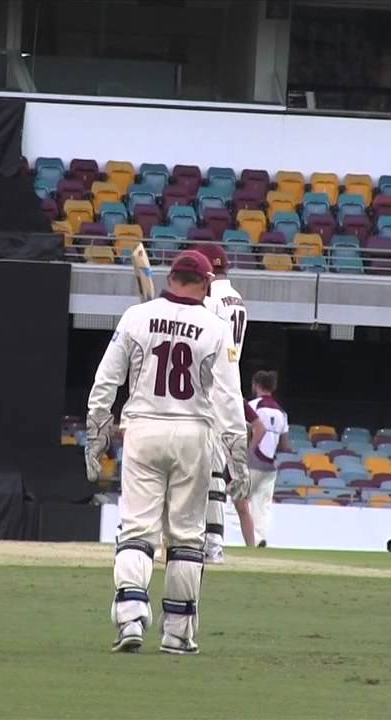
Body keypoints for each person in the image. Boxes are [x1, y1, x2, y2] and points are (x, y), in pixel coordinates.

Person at [86, 250, 249, 656]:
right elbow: (229, 397)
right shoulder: (215, 326)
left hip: (142, 427)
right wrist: (237, 453)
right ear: (206, 283)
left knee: (137, 530)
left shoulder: (136, 317)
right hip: (195, 432)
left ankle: (130, 616)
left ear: (171, 276)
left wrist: (96, 431)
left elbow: (106, 379)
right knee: (187, 537)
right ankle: (177, 632)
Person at [196, 242, 248, 564]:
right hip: (230, 381)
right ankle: (210, 540)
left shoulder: (210, 299)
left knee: (211, 472)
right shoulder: (238, 299)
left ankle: (211, 541)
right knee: (214, 470)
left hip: (211, 387)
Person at [245, 370, 291, 548]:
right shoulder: (282, 412)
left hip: (252, 461)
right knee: (262, 505)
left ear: (256, 385)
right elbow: (285, 445)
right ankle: (260, 538)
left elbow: (246, 429)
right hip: (270, 465)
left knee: (238, 501)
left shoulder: (253, 405)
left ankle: (251, 538)